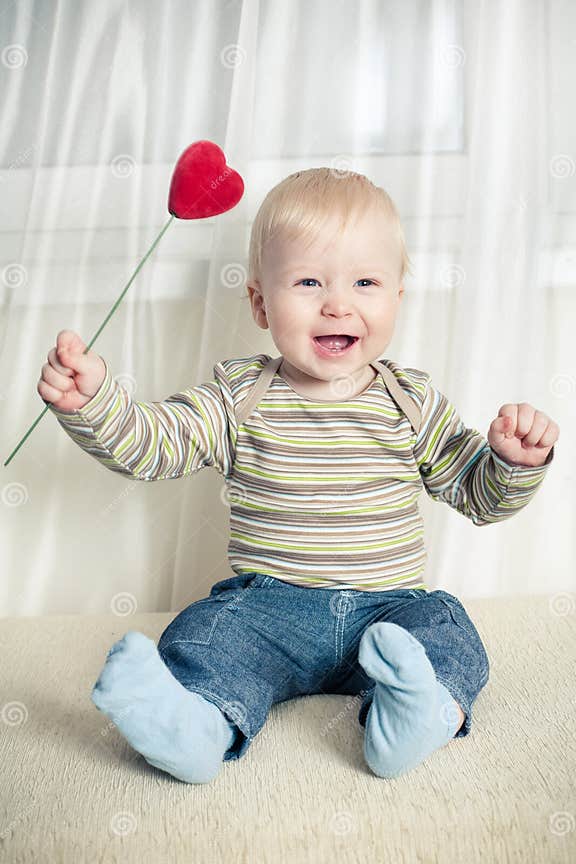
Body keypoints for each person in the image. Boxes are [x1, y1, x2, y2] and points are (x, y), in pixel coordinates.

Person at [38, 168, 559, 784]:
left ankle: (416, 711)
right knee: (206, 636)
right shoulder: (241, 395)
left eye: (365, 282)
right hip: (268, 612)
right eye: (308, 281)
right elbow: (157, 446)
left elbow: (477, 493)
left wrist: (511, 464)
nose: (337, 303)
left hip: (386, 614)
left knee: (446, 627)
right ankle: (194, 727)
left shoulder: (411, 400)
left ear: (396, 298)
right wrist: (96, 406)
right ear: (261, 302)